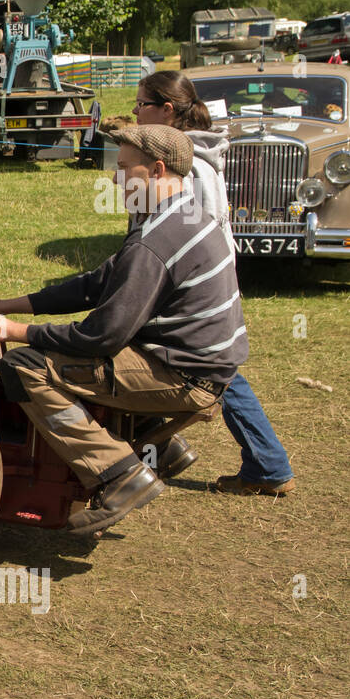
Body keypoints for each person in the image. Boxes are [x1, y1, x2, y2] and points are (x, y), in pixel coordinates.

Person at [0, 125, 247, 535]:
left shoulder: (155, 241)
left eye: (125, 167)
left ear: (156, 170)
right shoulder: (186, 214)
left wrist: (14, 330)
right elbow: (98, 283)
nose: (116, 178)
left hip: (186, 375)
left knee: (25, 366)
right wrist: (8, 305)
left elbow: (101, 337)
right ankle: (158, 445)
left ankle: (120, 473)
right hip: (205, 362)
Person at [134, 69, 295, 495]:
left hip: (191, 288)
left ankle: (266, 465)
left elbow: (189, 239)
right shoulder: (193, 155)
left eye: (142, 105)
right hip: (195, 285)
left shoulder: (192, 166)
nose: (135, 112)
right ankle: (161, 450)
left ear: (166, 110)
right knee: (203, 368)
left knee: (205, 371)